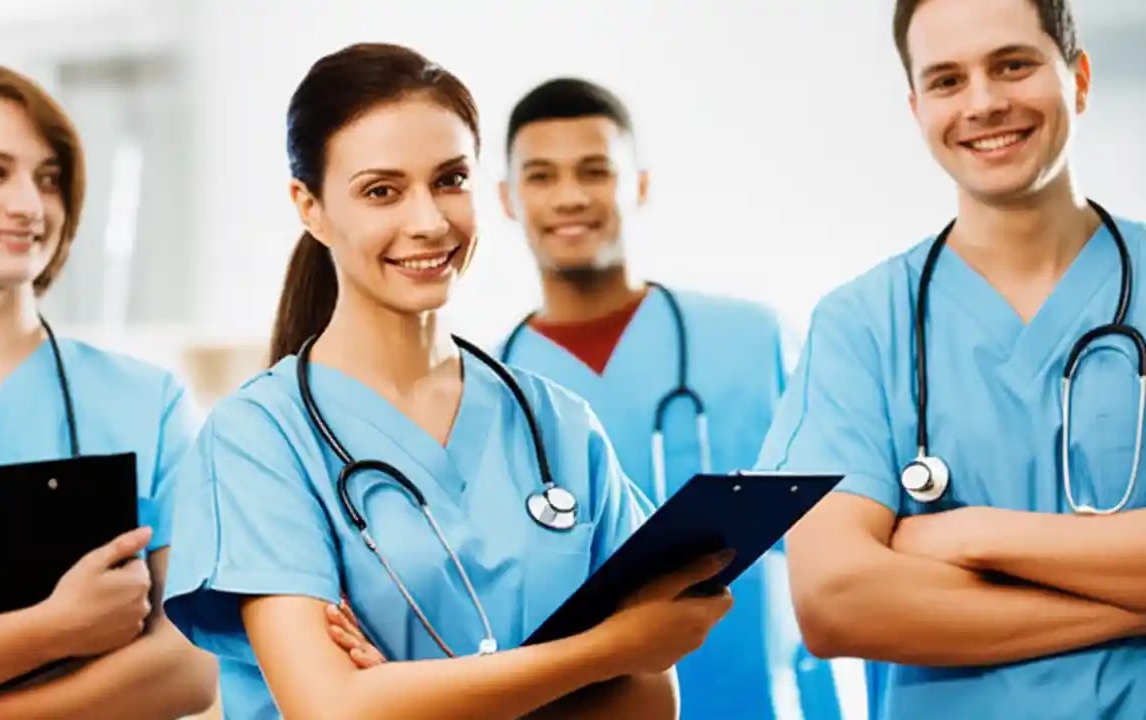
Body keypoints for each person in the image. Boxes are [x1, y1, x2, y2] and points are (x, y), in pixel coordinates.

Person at [163, 42, 736, 720]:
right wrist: (605, 651)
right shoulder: (259, 438)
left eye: (450, 180)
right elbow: (334, 709)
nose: (429, 221)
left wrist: (420, 694)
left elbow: (647, 703)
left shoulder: (557, 423)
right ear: (310, 206)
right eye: (382, 191)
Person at [756, 0, 1146, 718]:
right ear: (916, 109)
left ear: (1079, 78)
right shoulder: (862, 323)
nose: (985, 103)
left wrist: (971, 533)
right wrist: (1130, 603)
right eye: (946, 81)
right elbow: (836, 601)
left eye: (1013, 65)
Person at [0, 64, 218, 719]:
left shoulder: (149, 401)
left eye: (48, 178)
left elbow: (192, 663)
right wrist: (55, 628)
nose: (30, 206)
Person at [488, 77, 838, 720]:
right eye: (541, 176)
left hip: (755, 700)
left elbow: (833, 549)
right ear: (508, 199)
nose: (569, 196)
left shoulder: (753, 339)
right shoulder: (485, 391)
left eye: (595, 170)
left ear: (639, 185)